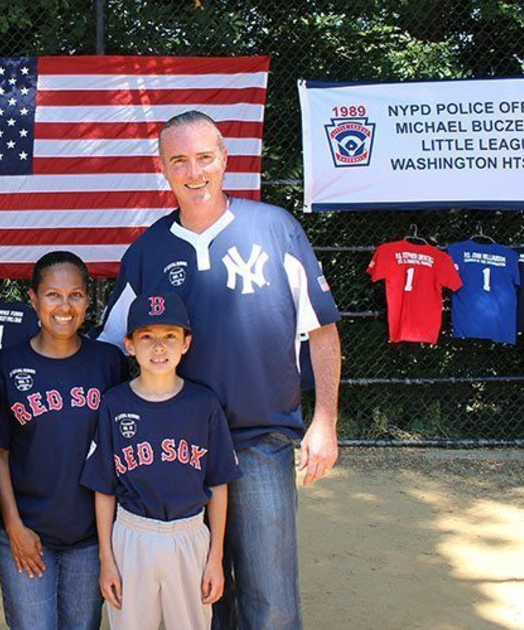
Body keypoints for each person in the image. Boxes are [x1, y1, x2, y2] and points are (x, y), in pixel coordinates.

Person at [98, 111, 342, 630]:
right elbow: (108, 348)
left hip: (259, 439)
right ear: (163, 168)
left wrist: (325, 421)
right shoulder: (147, 252)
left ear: (225, 158)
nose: (194, 171)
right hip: (177, 448)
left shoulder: (275, 229)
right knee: (203, 596)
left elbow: (322, 328)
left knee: (270, 596)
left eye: (204, 157)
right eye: (179, 160)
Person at [81, 291, 241, 630]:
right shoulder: (114, 404)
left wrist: (215, 557)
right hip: (132, 534)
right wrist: (107, 559)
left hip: (190, 535)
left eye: (170, 336)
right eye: (147, 337)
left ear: (186, 343)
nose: (158, 347)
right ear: (129, 344)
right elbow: (104, 489)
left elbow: (219, 484)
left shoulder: (204, 404)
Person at [0, 251, 127, 630]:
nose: (64, 306)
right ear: (32, 298)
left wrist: (109, 540)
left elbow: (118, 453)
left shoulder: (108, 362)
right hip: (27, 533)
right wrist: (14, 527)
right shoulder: (7, 364)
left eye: (76, 295)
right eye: (53, 295)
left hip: (88, 536)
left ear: (88, 299)